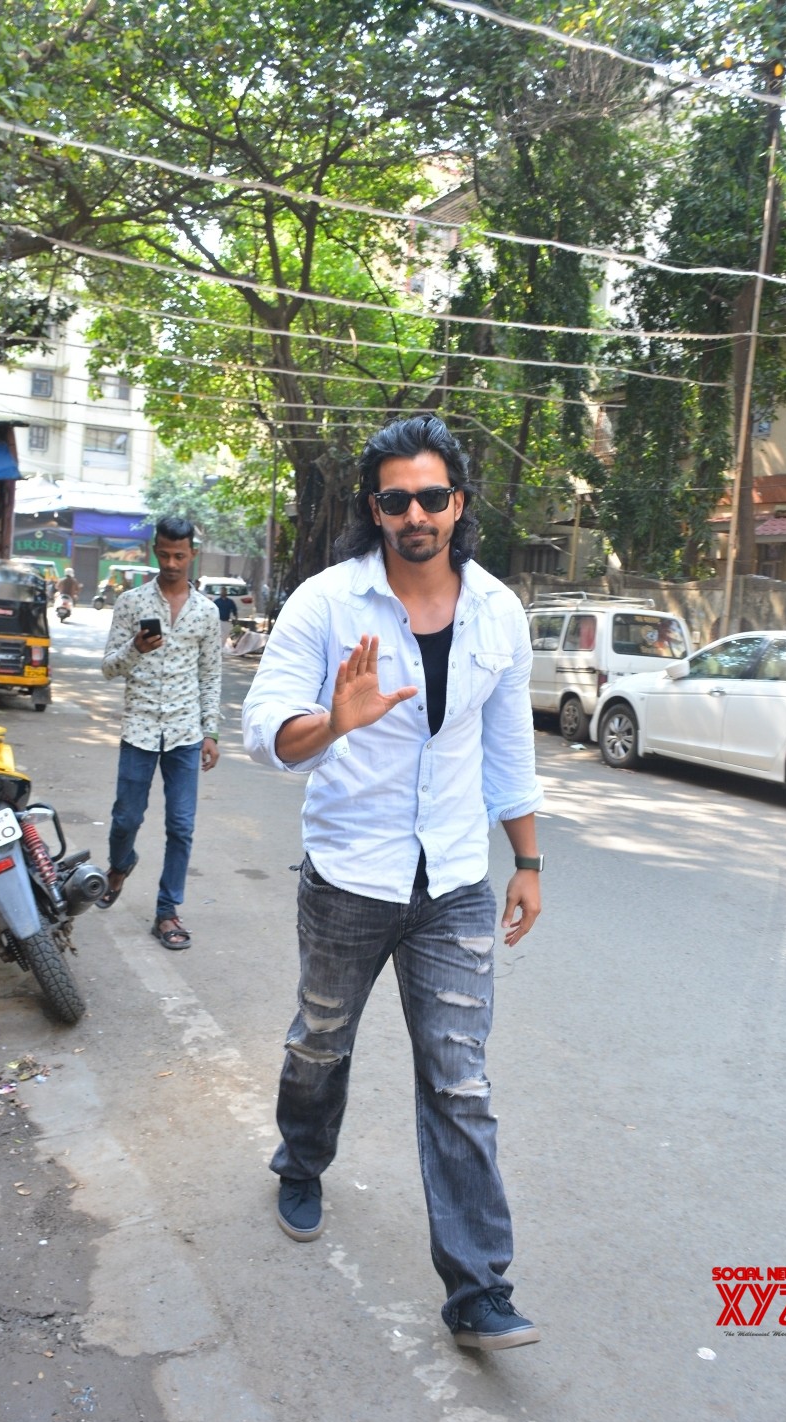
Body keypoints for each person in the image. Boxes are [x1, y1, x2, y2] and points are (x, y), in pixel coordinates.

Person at [243, 415, 544, 1352]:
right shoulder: (327, 606)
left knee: (459, 1082)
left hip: (452, 880)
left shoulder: (498, 611)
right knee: (322, 1040)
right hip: (349, 875)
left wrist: (527, 861)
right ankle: (302, 1158)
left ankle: (478, 1290)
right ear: (372, 509)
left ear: (459, 504)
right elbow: (266, 733)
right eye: (395, 498)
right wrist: (332, 721)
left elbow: (509, 749)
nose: (415, 513)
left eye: (432, 496)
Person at [97, 517, 222, 951]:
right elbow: (108, 667)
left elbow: (210, 675)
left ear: (192, 554)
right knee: (126, 819)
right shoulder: (131, 603)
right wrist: (135, 648)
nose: (172, 563)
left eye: (180, 555)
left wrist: (212, 732)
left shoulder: (206, 612)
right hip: (140, 729)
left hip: (186, 734)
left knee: (181, 826)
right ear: (155, 550)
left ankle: (167, 911)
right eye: (165, 554)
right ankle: (120, 864)